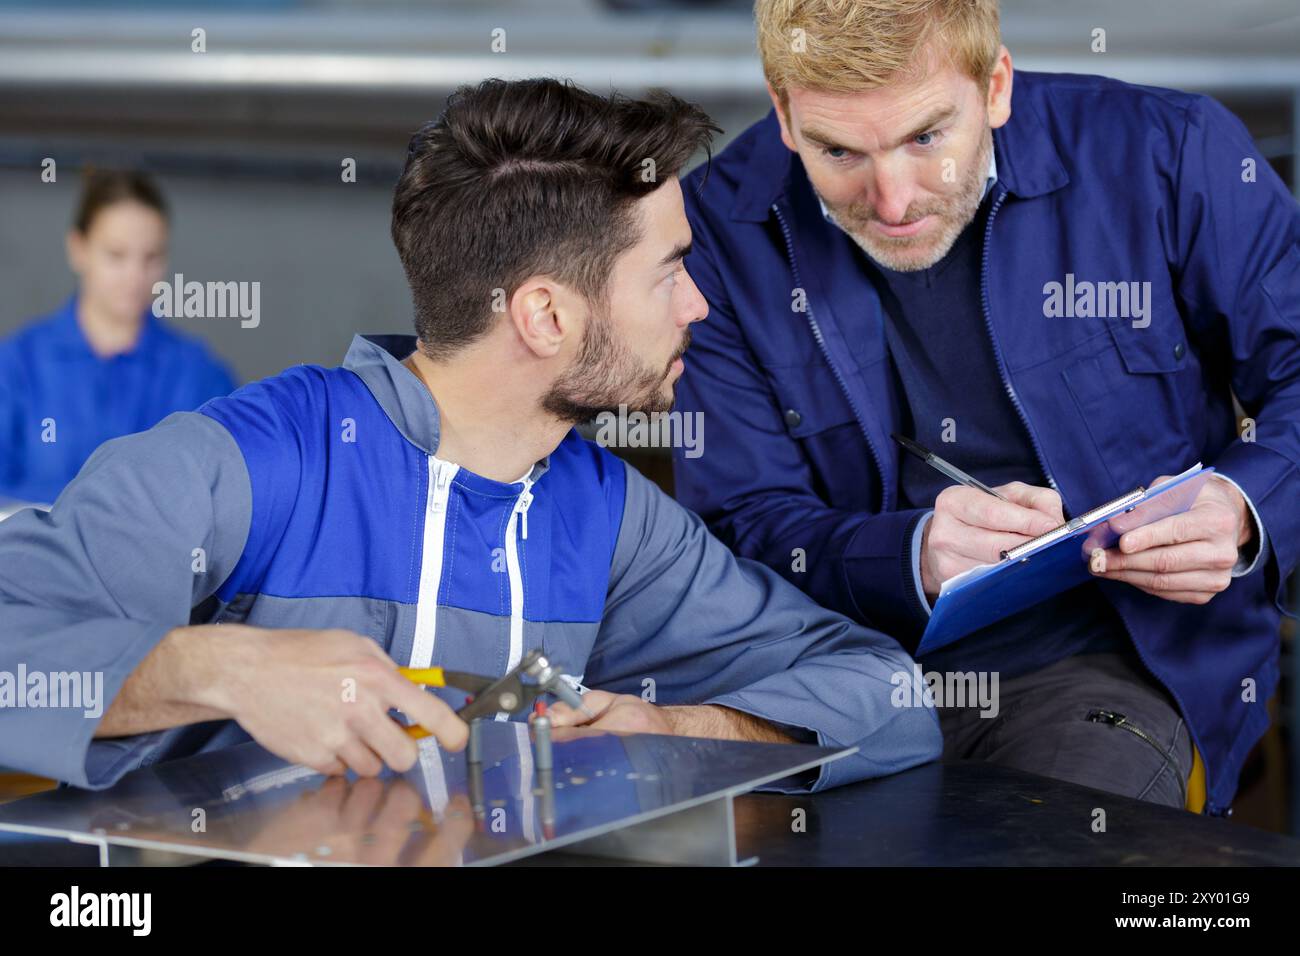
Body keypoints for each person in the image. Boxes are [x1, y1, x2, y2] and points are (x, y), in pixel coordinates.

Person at [0, 79, 941, 792]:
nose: (699, 303)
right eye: (671, 271)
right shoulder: (253, 462)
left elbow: (886, 694)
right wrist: (221, 669)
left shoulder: (610, 519)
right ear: (544, 317)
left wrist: (692, 731)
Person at [672, 0, 1298, 815]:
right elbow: (739, 525)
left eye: (926, 137)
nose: (892, 201)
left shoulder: (1165, 152)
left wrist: (1245, 505)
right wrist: (910, 556)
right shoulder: (708, 234)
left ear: (995, 85)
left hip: (1108, 668)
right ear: (783, 111)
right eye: (838, 151)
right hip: (826, 677)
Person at [0, 169, 236, 506]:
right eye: (116, 255)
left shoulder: (199, 374)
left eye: (151, 258)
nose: (135, 276)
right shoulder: (14, 368)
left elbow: (224, 498)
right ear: (77, 249)